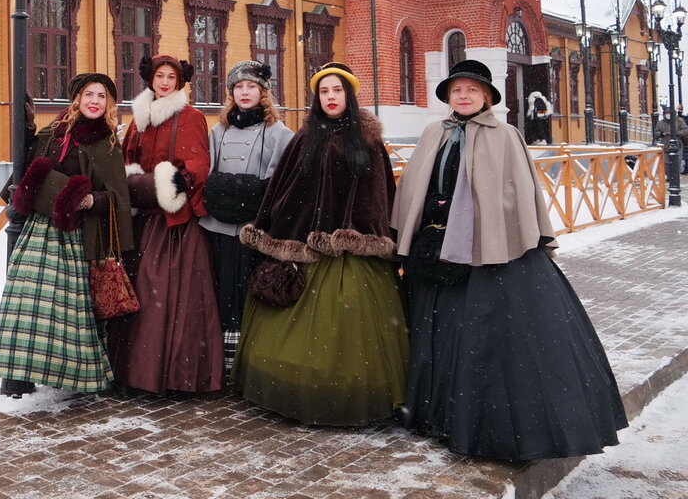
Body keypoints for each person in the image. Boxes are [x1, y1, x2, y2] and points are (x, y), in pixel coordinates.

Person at [392, 59, 627, 460]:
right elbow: (416, 188)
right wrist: (433, 209)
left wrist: (484, 223)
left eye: (471, 90)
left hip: (491, 251)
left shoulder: (505, 135)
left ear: (486, 96)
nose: (463, 96)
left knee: (484, 338)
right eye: (456, 90)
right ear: (449, 97)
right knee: (438, 334)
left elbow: (518, 194)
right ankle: (437, 415)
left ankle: (492, 425)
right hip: (436, 249)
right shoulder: (435, 133)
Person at [234, 62, 407, 426]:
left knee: (349, 329)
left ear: (350, 94)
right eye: (324, 91)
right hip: (303, 244)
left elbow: (377, 196)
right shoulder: (305, 137)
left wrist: (358, 233)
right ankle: (293, 390)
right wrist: (272, 229)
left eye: (337, 90)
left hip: (352, 251)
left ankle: (346, 395)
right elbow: (285, 189)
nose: (330, 97)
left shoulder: (369, 140)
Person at [0, 73, 133, 396]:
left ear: (108, 104)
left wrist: (89, 199)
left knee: (68, 312)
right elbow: (27, 161)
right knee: (26, 305)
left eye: (101, 96)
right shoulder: (55, 133)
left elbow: (116, 197)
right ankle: (21, 372)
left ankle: (74, 377)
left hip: (76, 237)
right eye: (89, 95)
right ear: (77, 99)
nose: (95, 101)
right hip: (40, 231)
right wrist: (26, 127)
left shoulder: (107, 143)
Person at [109, 54, 223, 394]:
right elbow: (126, 158)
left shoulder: (191, 117)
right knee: (139, 292)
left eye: (170, 77)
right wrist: (134, 185)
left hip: (175, 225)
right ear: (150, 79)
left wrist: (173, 182)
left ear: (179, 81)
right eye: (159, 75)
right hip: (143, 218)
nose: (164, 82)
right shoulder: (138, 118)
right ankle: (134, 373)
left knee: (174, 296)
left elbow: (199, 164)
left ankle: (175, 375)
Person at [200, 60, 293, 375]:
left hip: (254, 229)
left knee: (249, 292)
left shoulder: (279, 133)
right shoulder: (217, 131)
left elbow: (278, 183)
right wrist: (221, 194)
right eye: (239, 87)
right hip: (218, 227)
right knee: (221, 290)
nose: (244, 92)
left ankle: (251, 359)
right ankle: (223, 357)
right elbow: (208, 175)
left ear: (263, 92)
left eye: (251, 86)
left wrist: (246, 195)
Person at [654, 106, 688, 174]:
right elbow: (655, 133)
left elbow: (685, 130)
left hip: (677, 145)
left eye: (670, 113)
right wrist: (661, 134)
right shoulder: (660, 123)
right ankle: (669, 177)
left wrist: (677, 133)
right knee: (666, 164)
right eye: (667, 113)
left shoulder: (679, 121)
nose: (668, 115)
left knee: (677, 162)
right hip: (665, 145)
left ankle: (675, 177)